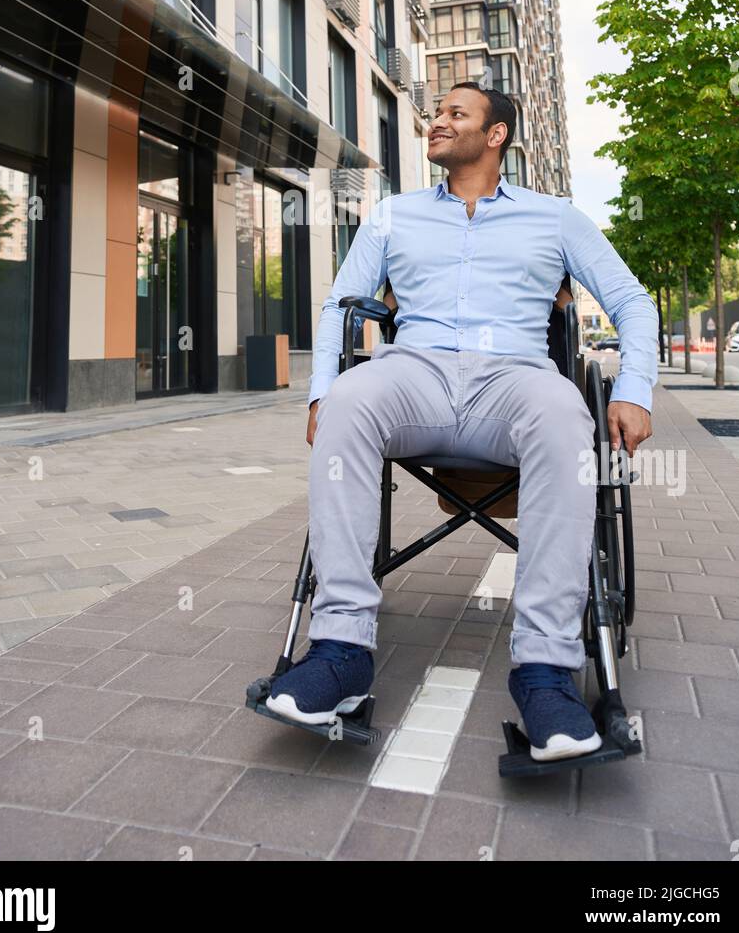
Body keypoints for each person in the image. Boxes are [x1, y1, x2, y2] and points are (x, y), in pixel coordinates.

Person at [267, 84, 656, 761]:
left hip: (516, 378)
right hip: (414, 373)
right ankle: (340, 651)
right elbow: (339, 305)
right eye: (435, 114)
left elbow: (631, 300)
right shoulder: (394, 215)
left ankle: (544, 672)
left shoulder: (554, 217)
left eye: (455, 114)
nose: (435, 123)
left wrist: (636, 388)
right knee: (351, 404)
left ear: (497, 134)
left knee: (568, 418)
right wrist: (322, 389)